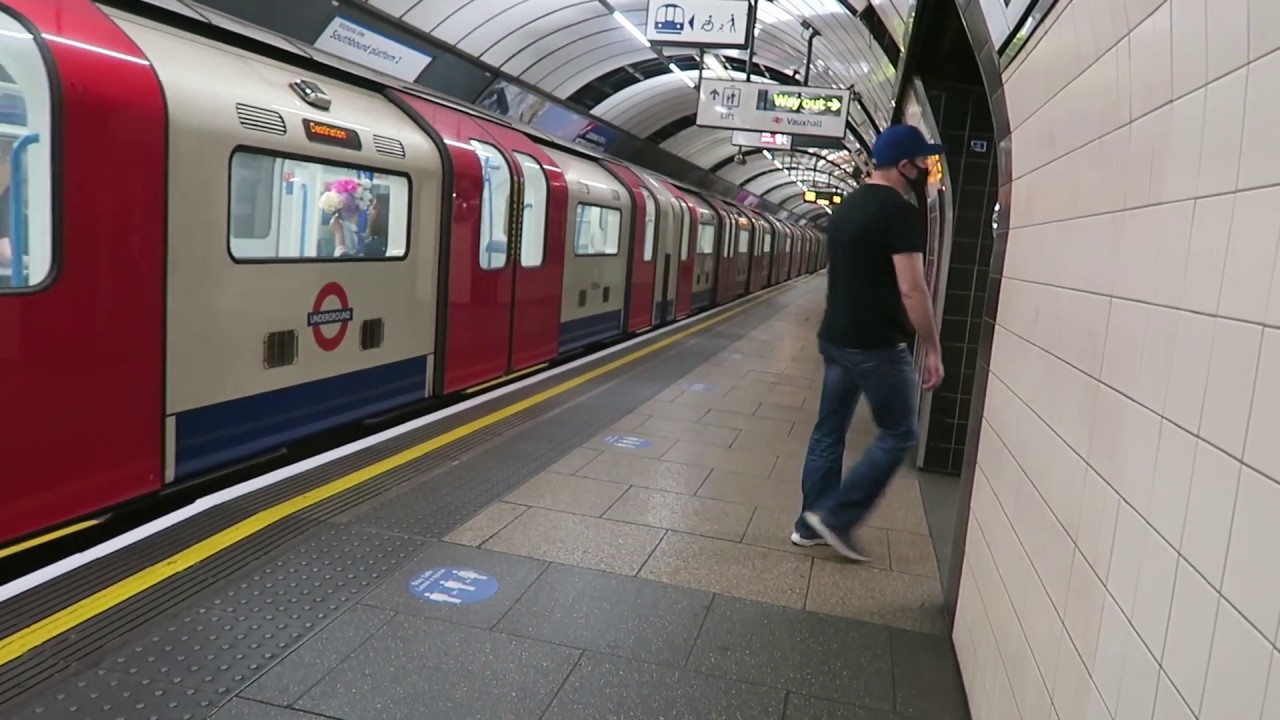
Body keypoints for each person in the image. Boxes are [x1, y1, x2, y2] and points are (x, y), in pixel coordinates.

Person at [793, 124, 946, 562]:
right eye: (924, 163)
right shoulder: (899, 214)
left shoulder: (846, 208)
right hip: (876, 343)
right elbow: (912, 290)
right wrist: (931, 346)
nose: (926, 171)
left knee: (828, 432)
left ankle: (810, 523)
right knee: (899, 433)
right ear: (904, 166)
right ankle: (837, 517)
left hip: (836, 337)